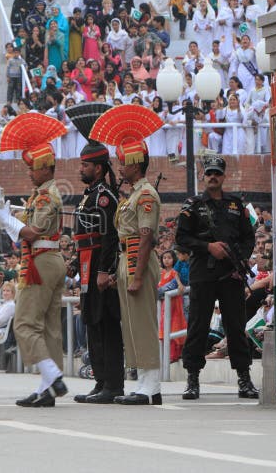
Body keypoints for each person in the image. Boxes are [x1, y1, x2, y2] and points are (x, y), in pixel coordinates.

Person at [0, 112, 68, 407]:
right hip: (45, 260)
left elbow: (31, 233)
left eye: (32, 168)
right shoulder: (39, 195)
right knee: (48, 328)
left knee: (24, 323)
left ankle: (53, 376)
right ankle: (46, 387)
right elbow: (18, 227)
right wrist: (4, 217)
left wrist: (6, 219)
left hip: (42, 260)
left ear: (45, 167)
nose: (29, 173)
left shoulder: (47, 197)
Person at [90, 106, 163, 405]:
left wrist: (136, 274)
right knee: (131, 325)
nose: (120, 167)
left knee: (143, 323)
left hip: (137, 262)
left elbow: (145, 238)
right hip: (126, 260)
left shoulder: (145, 195)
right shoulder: (132, 195)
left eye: (124, 162)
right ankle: (144, 382)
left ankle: (152, 386)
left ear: (136, 163)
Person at [176, 155, 259, 401]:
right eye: (209, 173)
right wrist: (207, 246)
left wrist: (241, 258)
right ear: (204, 176)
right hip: (203, 271)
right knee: (198, 326)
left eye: (217, 173)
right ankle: (192, 379)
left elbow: (248, 237)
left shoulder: (236, 204)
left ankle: (244, 379)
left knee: (235, 326)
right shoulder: (192, 205)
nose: (213, 176)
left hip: (231, 273)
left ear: (223, 176)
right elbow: (182, 238)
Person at [68, 117, 123, 404]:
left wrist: (104, 270)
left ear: (98, 168)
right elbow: (83, 236)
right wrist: (75, 265)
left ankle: (113, 384)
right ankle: (100, 380)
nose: (82, 169)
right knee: (92, 323)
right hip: (87, 267)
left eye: (86, 165)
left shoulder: (104, 197)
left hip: (101, 269)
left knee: (107, 325)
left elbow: (110, 236)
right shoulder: (88, 196)